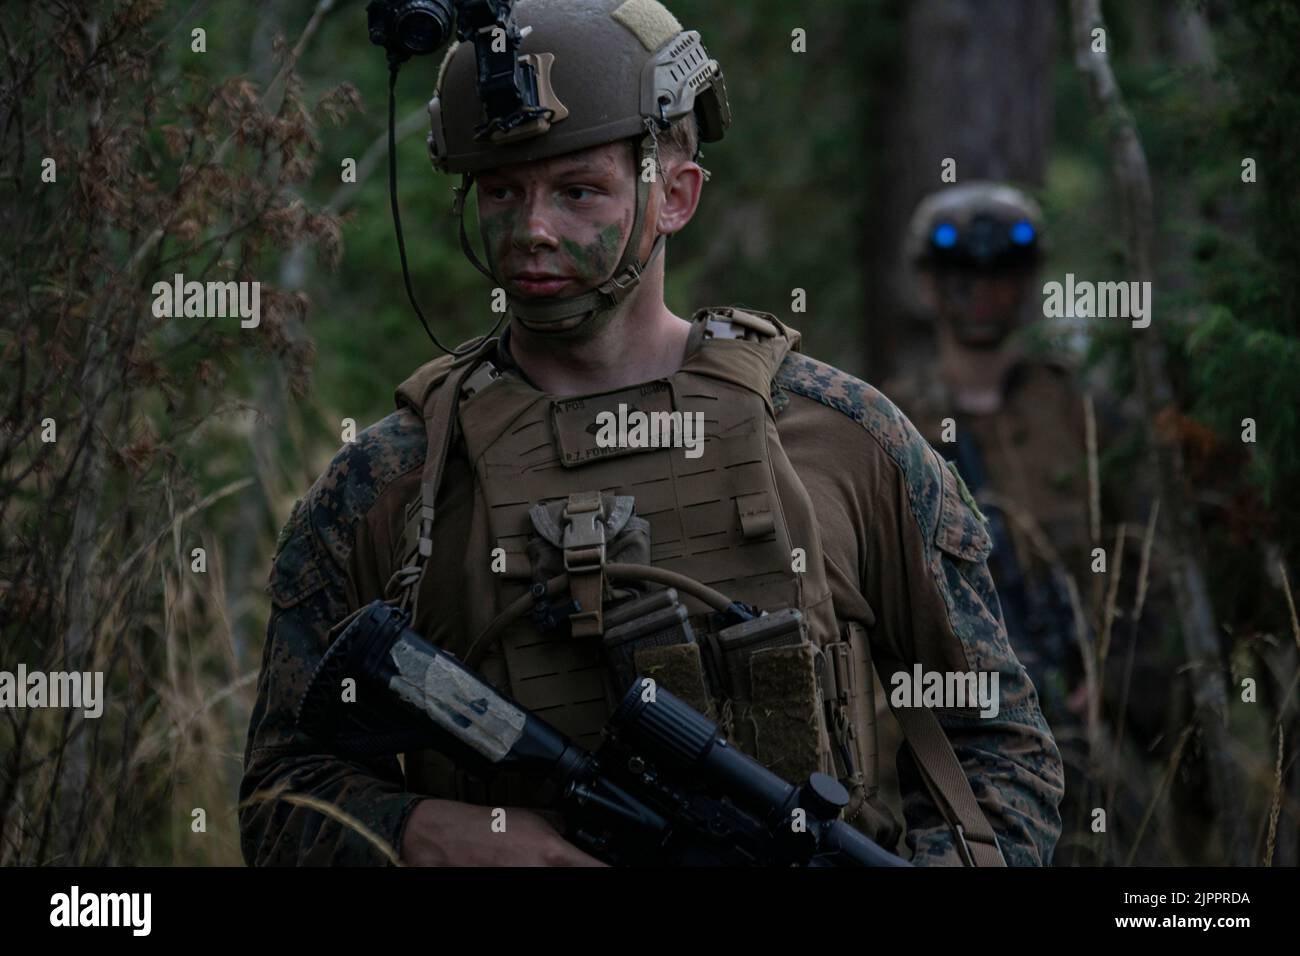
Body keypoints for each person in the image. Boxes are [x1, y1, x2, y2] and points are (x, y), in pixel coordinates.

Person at [239, 0, 1062, 868]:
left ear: (674, 195)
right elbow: (278, 800)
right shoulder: (391, 484)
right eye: (501, 192)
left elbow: (1001, 743)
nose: (533, 231)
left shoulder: (846, 439)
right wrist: (432, 836)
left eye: (578, 191)